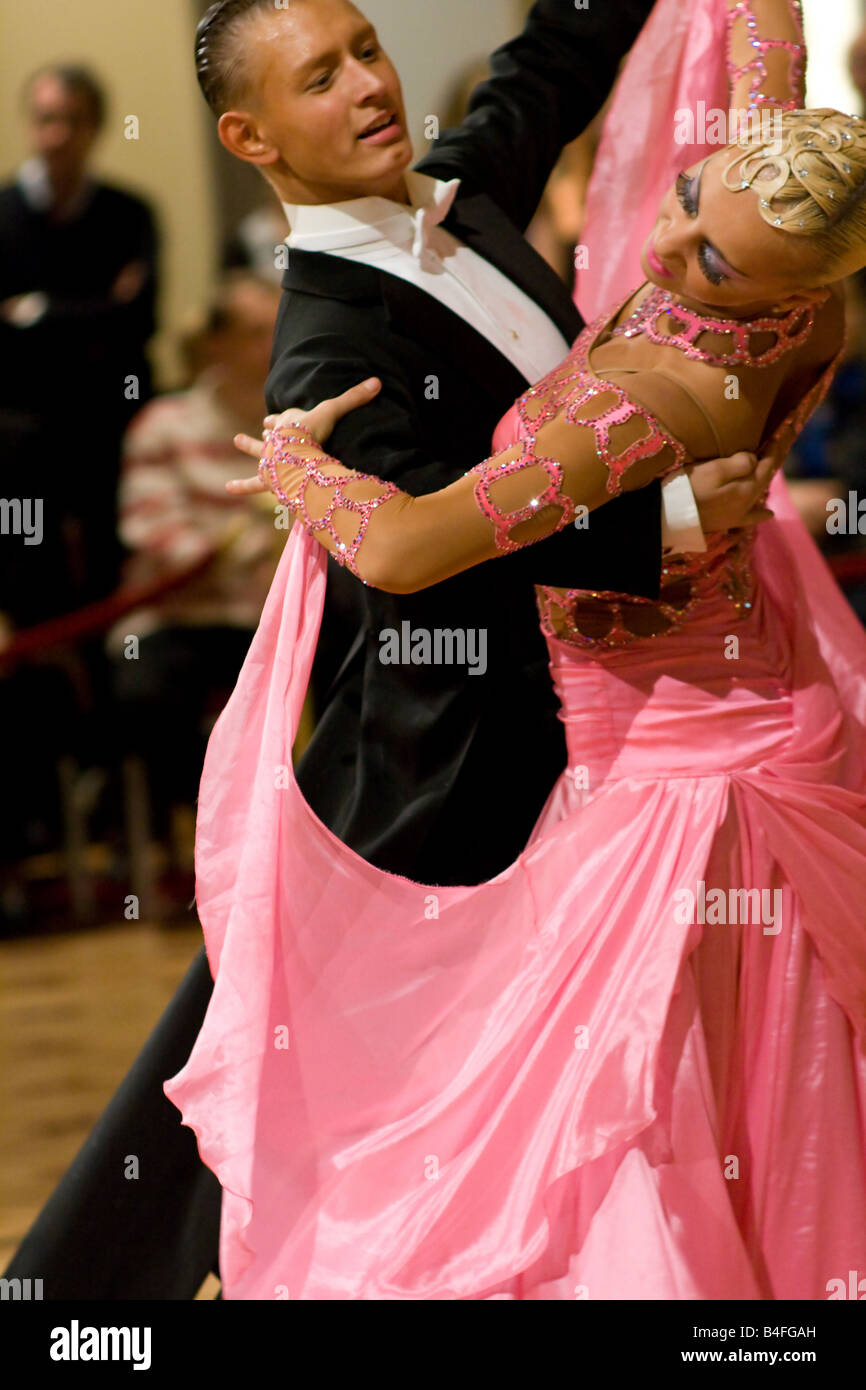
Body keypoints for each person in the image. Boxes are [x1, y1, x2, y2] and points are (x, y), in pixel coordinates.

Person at [3, 0, 770, 1300]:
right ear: (250, 135)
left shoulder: (464, 190)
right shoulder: (320, 345)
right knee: (280, 1049)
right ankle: (80, 1304)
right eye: (322, 75)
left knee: (353, 1047)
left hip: (561, 709)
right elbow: (441, 537)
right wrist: (671, 522)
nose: (367, 83)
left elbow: (555, 54)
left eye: (365, 48)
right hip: (445, 746)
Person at [107, 272, 285, 836]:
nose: (272, 345)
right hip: (186, 618)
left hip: (277, 621)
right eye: (256, 331)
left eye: (280, 329)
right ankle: (213, 833)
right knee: (147, 691)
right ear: (217, 341)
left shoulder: (301, 423)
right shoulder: (165, 424)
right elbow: (156, 534)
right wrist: (247, 554)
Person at [0, 64, 159, 608]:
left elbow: (139, 320)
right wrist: (97, 311)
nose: (58, 134)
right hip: (17, 431)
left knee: (108, 565)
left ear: (96, 128)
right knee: (26, 560)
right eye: (46, 118)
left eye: (73, 120)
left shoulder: (129, 214)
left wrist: (37, 312)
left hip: (106, 419)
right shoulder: (3, 214)